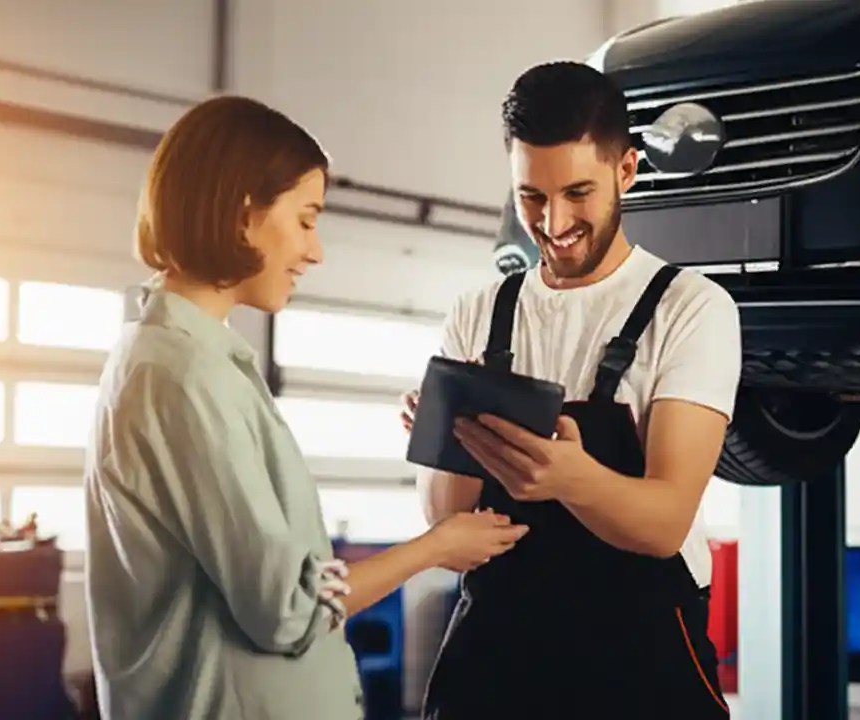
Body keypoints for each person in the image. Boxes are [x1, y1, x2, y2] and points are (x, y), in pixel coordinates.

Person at [83, 95, 529, 720]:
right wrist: (435, 547)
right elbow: (291, 609)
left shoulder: (183, 358)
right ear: (244, 215)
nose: (315, 252)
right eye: (306, 219)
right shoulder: (182, 376)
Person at [404, 61, 742, 719]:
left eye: (577, 193)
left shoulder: (691, 309)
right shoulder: (479, 311)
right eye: (530, 197)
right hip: (498, 647)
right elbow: (447, 522)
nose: (554, 223)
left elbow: (666, 522)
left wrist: (570, 480)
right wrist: (448, 440)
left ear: (627, 171)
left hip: (640, 654)